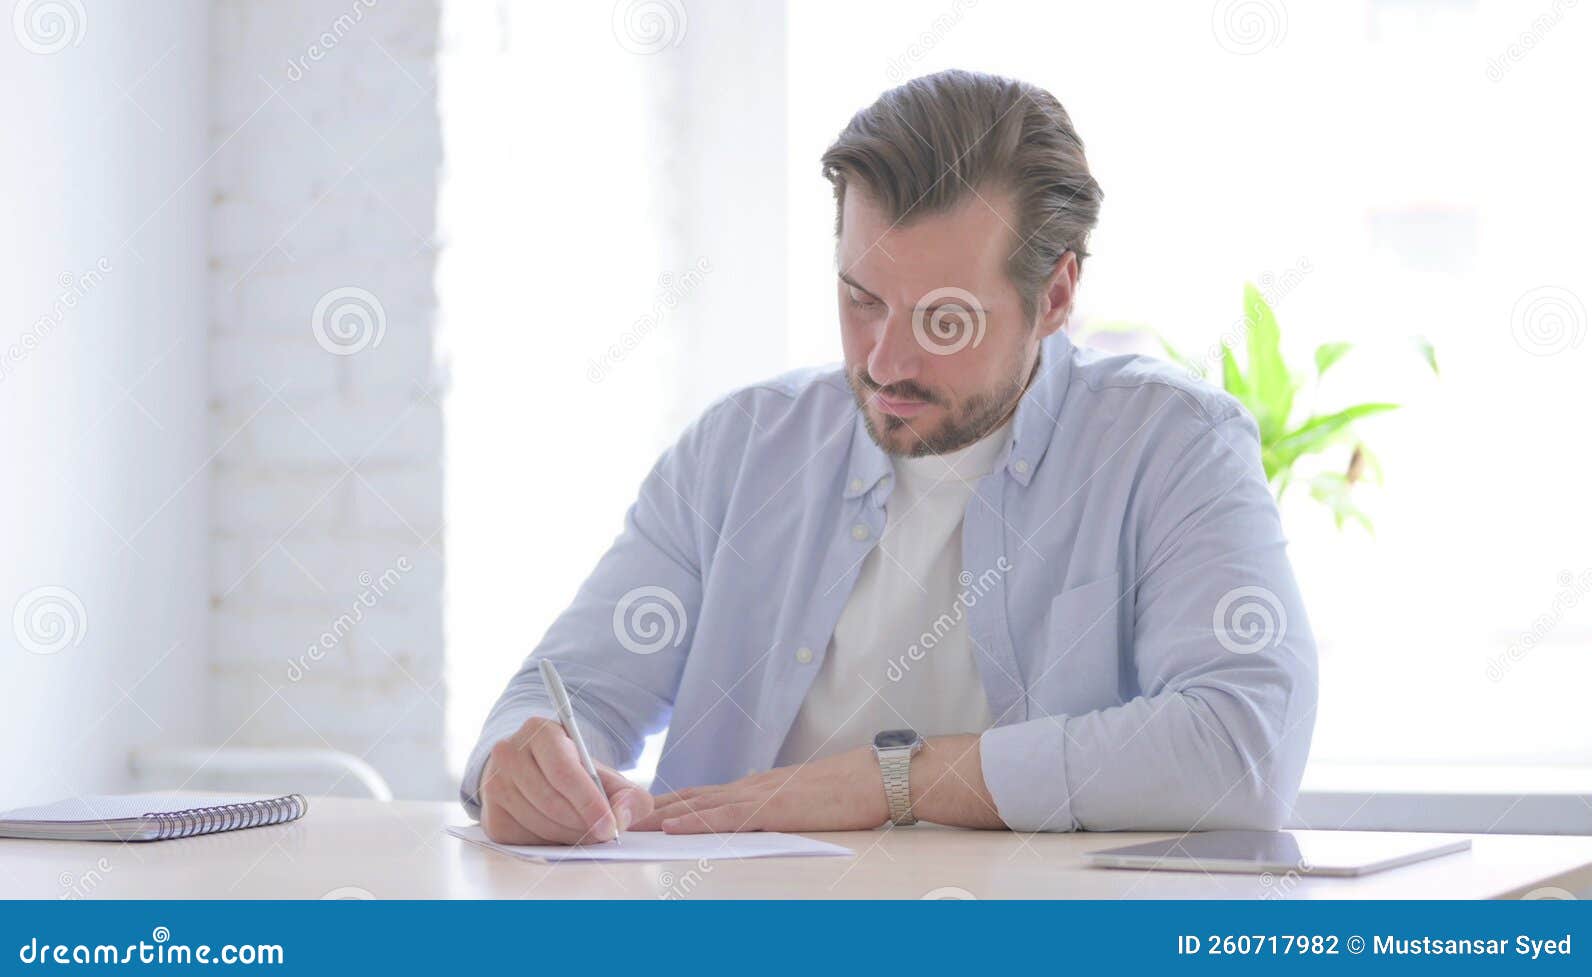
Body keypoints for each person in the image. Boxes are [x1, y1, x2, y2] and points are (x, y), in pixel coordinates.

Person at [464, 69, 1316, 845]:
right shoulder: (741, 450)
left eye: (945, 319)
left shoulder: (1171, 447)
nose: (884, 362)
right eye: (861, 299)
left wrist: (894, 781)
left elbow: (1243, 747)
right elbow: (566, 693)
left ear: (1054, 295)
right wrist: (529, 762)